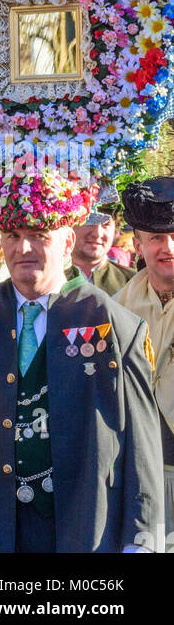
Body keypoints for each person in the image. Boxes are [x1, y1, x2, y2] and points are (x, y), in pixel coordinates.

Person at [0, 169, 164, 554]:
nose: (24, 249)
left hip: (82, 530)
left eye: (39, 235)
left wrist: (142, 540)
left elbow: (142, 450)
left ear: (67, 241)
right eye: (13, 236)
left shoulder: (113, 322)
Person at [116, 177, 174, 551]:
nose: (167, 247)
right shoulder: (117, 308)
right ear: (137, 245)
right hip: (142, 475)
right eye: (155, 238)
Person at [65, 207, 132, 295]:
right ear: (70, 226)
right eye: (89, 221)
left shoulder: (132, 283)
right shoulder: (47, 279)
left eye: (106, 224)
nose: (97, 234)